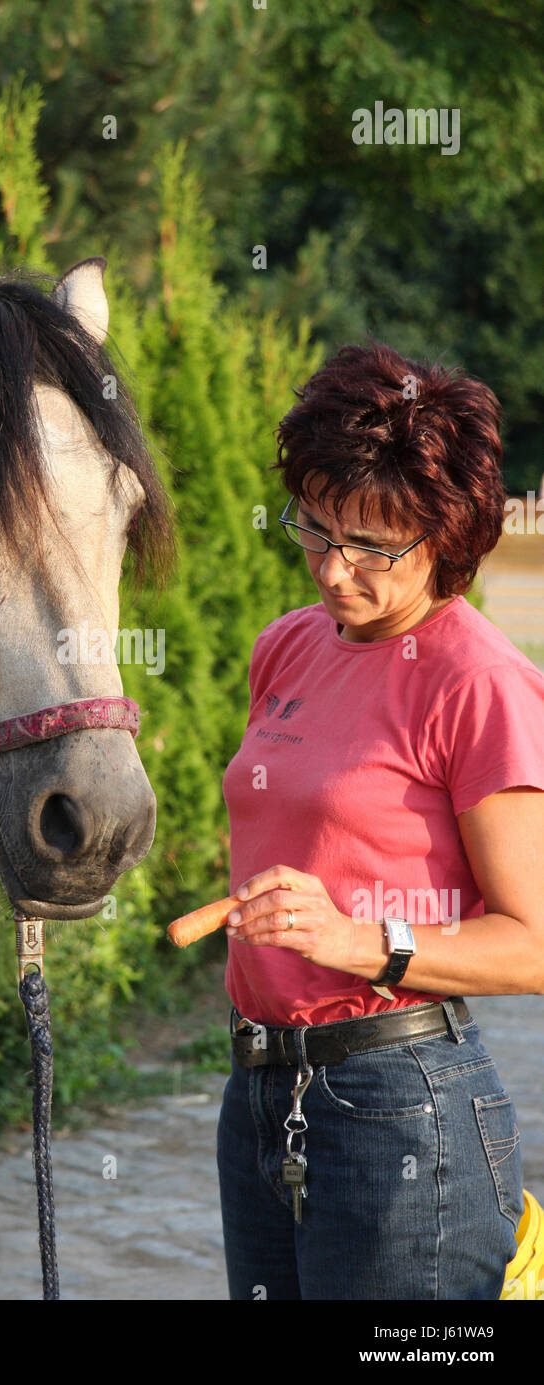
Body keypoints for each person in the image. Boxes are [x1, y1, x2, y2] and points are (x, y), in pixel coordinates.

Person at [216, 342, 544, 1300]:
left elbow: (532, 945)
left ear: (446, 539)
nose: (331, 569)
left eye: (371, 547)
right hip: (261, 1091)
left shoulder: (479, 682)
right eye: (315, 529)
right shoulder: (286, 645)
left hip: (404, 1110)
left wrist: (359, 940)